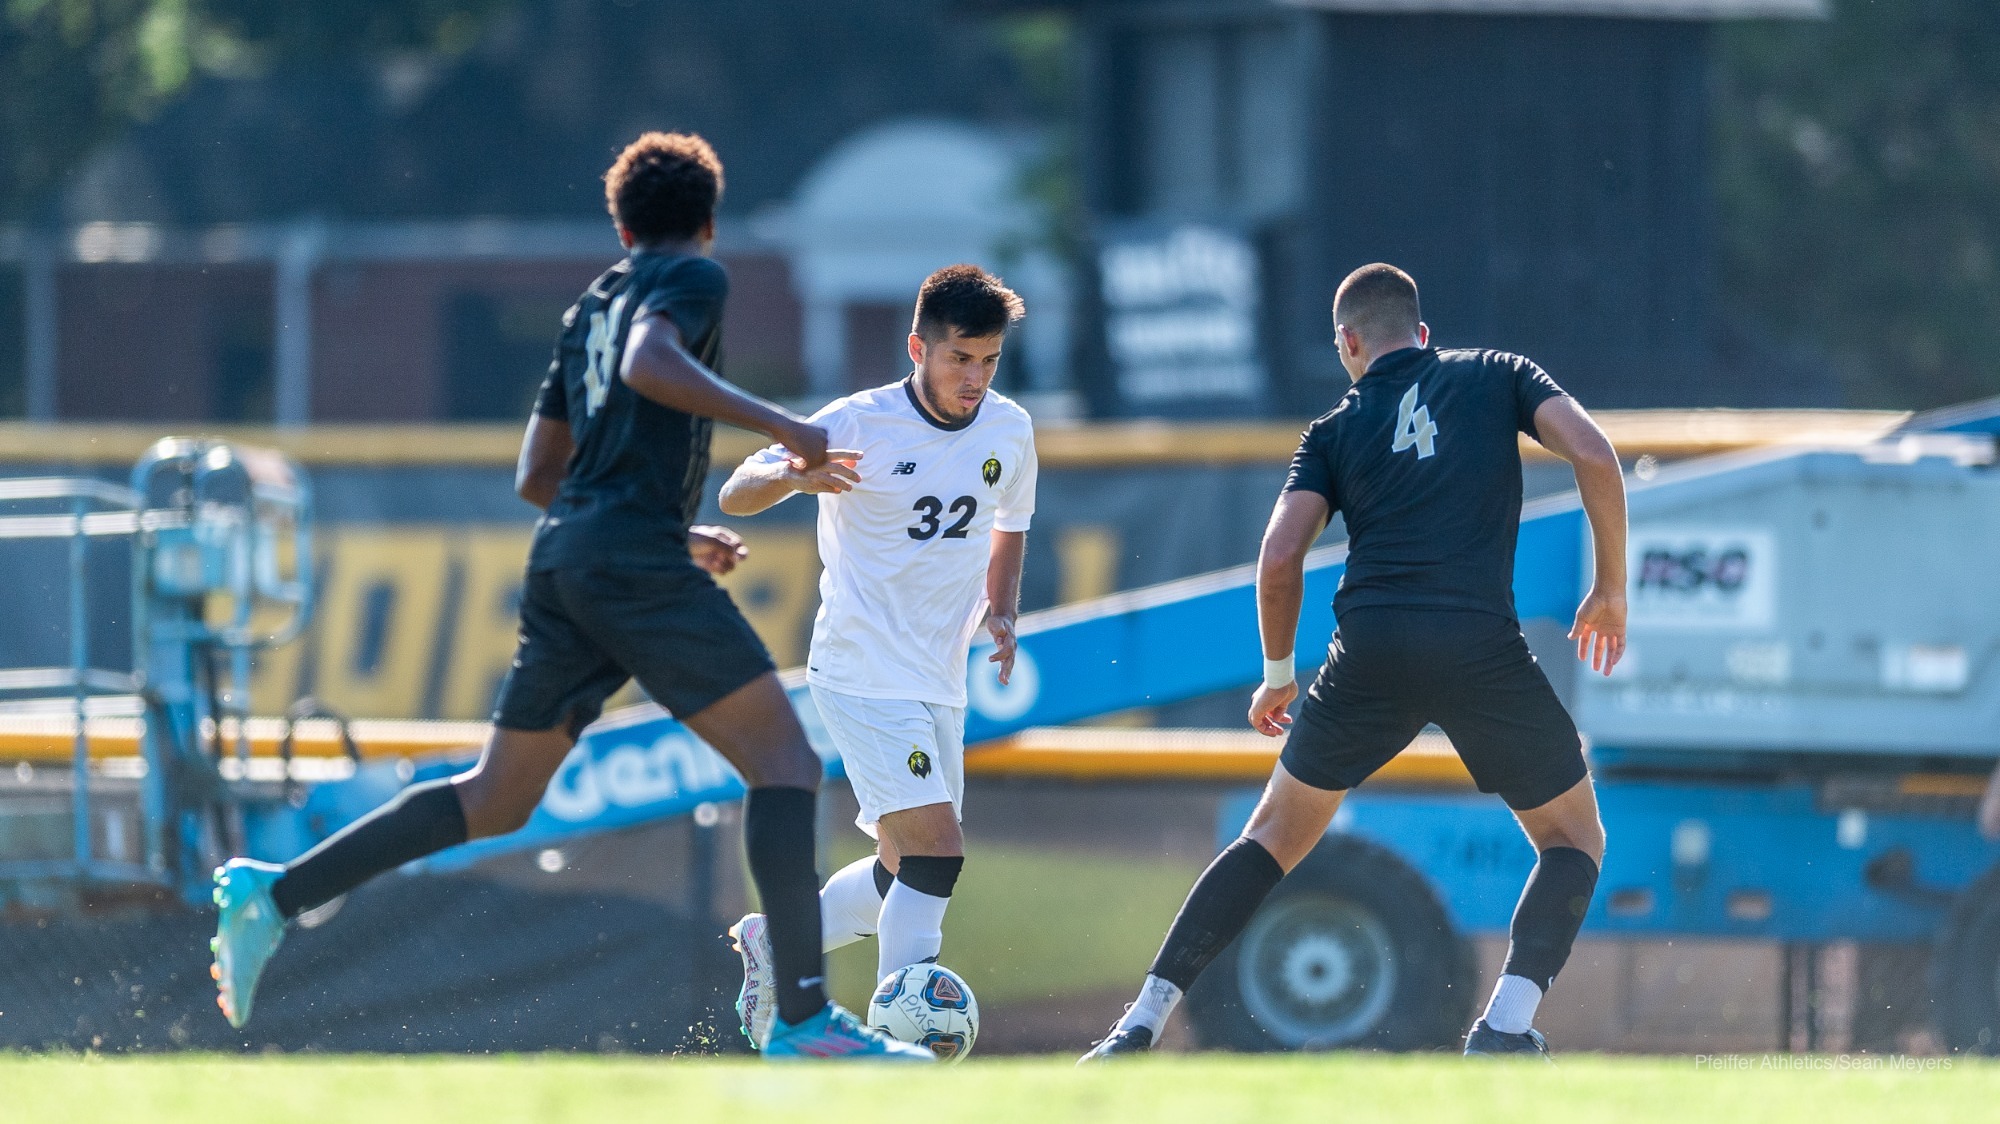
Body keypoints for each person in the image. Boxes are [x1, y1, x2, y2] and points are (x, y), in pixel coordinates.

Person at [208, 131, 930, 1061]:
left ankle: (273, 896)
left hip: (567, 560)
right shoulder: (692, 278)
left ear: (621, 222)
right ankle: (801, 1023)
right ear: (705, 222)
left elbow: (536, 471)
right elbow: (650, 364)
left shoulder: (589, 303)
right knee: (785, 766)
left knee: (496, 798)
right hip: (628, 566)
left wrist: (665, 530)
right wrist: (790, 427)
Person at [1079, 263, 1628, 1062]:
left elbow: (1278, 555)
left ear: (1348, 343)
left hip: (1369, 651)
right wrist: (1609, 589)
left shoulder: (1333, 431)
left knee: (1269, 840)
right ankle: (1506, 1024)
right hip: (1479, 646)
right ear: (1423, 332)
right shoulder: (1501, 375)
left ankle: (1140, 1024)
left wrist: (1276, 674)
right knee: (1574, 840)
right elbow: (1597, 454)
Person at [715, 265, 1036, 1050]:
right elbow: (736, 491)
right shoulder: (857, 422)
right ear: (917, 347)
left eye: (990, 360)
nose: (976, 378)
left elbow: (1011, 520)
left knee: (901, 869)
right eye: (961, 358)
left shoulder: (1009, 428)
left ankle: (779, 940)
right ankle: (908, 1043)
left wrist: (1002, 605)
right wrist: (795, 475)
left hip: (937, 674)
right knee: (938, 849)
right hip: (861, 670)